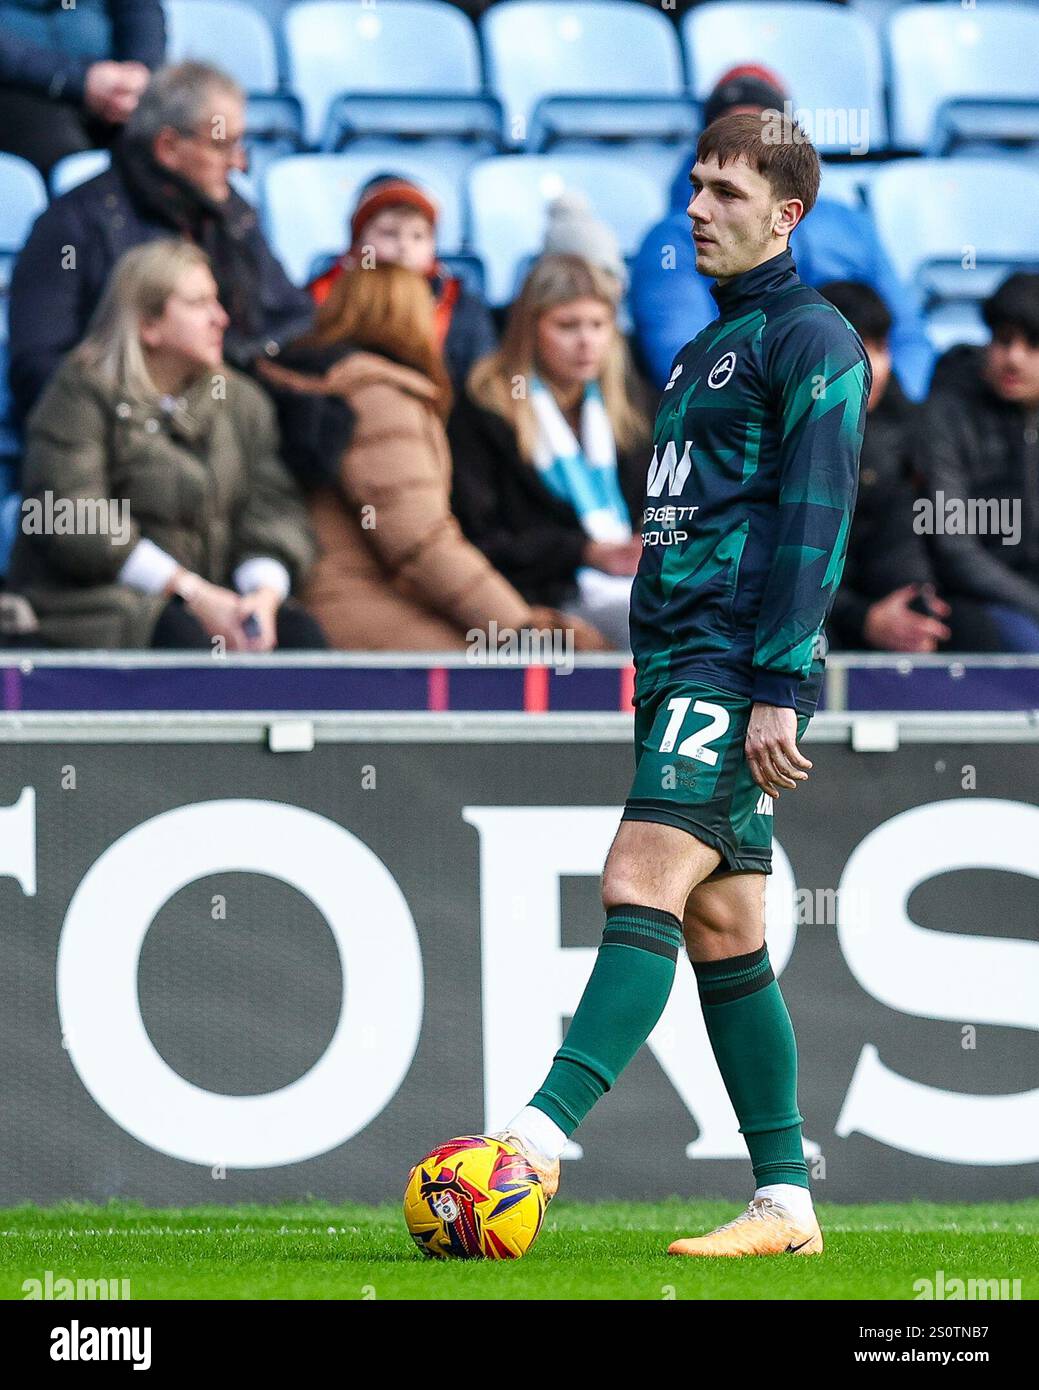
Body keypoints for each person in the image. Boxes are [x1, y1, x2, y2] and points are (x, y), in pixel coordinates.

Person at [488, 113, 870, 1259]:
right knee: (719, 918)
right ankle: (785, 1203)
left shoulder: (814, 340)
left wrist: (777, 686)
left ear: (784, 213)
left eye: (723, 192)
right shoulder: (703, 348)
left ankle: (531, 1142)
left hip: (731, 663)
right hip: (674, 664)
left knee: (640, 870)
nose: (696, 209)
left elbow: (817, 519)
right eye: (693, 186)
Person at [257, 262, 604, 651]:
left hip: (325, 604)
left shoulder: (312, 380)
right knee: (523, 678)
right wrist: (520, 629)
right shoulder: (380, 398)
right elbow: (421, 544)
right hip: (362, 612)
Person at [6, 240, 323, 651]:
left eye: (218, 302)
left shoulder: (243, 401)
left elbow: (275, 511)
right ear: (147, 324)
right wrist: (186, 590)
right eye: (198, 304)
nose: (221, 319)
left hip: (212, 596)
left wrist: (260, 595)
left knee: (298, 639)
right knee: (182, 642)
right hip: (86, 605)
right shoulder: (79, 393)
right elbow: (71, 515)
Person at [8, 60, 313, 428]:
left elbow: (291, 315)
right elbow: (39, 369)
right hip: (124, 441)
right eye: (223, 144)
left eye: (240, 143)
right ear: (168, 146)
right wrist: (152, 412)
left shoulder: (232, 213)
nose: (239, 163)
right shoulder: (73, 226)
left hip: (231, 425)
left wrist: (239, 367)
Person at [631, 64, 934, 400]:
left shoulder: (849, 224)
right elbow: (684, 361)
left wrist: (887, 411)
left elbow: (907, 335)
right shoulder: (675, 237)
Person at [449, 254, 651, 650]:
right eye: (567, 325)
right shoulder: (484, 409)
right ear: (530, 329)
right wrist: (584, 552)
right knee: (652, 632)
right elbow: (478, 537)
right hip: (541, 596)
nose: (586, 341)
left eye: (598, 325)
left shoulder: (631, 407)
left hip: (632, 584)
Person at [819, 281, 953, 653]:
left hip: (876, 608)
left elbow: (900, 538)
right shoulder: (764, 438)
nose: (872, 367)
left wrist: (913, 598)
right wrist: (864, 618)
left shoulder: (908, 432)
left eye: (880, 348)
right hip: (809, 625)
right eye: (855, 349)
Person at [917, 273, 1039, 651]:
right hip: (972, 602)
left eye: (1033, 344)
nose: (1013, 358)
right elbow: (954, 550)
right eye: (1003, 340)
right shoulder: (946, 414)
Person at [307, 173, 497, 397]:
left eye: (418, 236)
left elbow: (482, 387)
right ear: (358, 241)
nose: (404, 246)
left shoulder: (463, 308)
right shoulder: (319, 299)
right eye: (389, 233)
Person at [0, 0, 164, 175]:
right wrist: (81, 80)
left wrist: (138, 74)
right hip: (21, 89)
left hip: (116, 90)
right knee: (67, 153)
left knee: (172, 139)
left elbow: (141, 12)